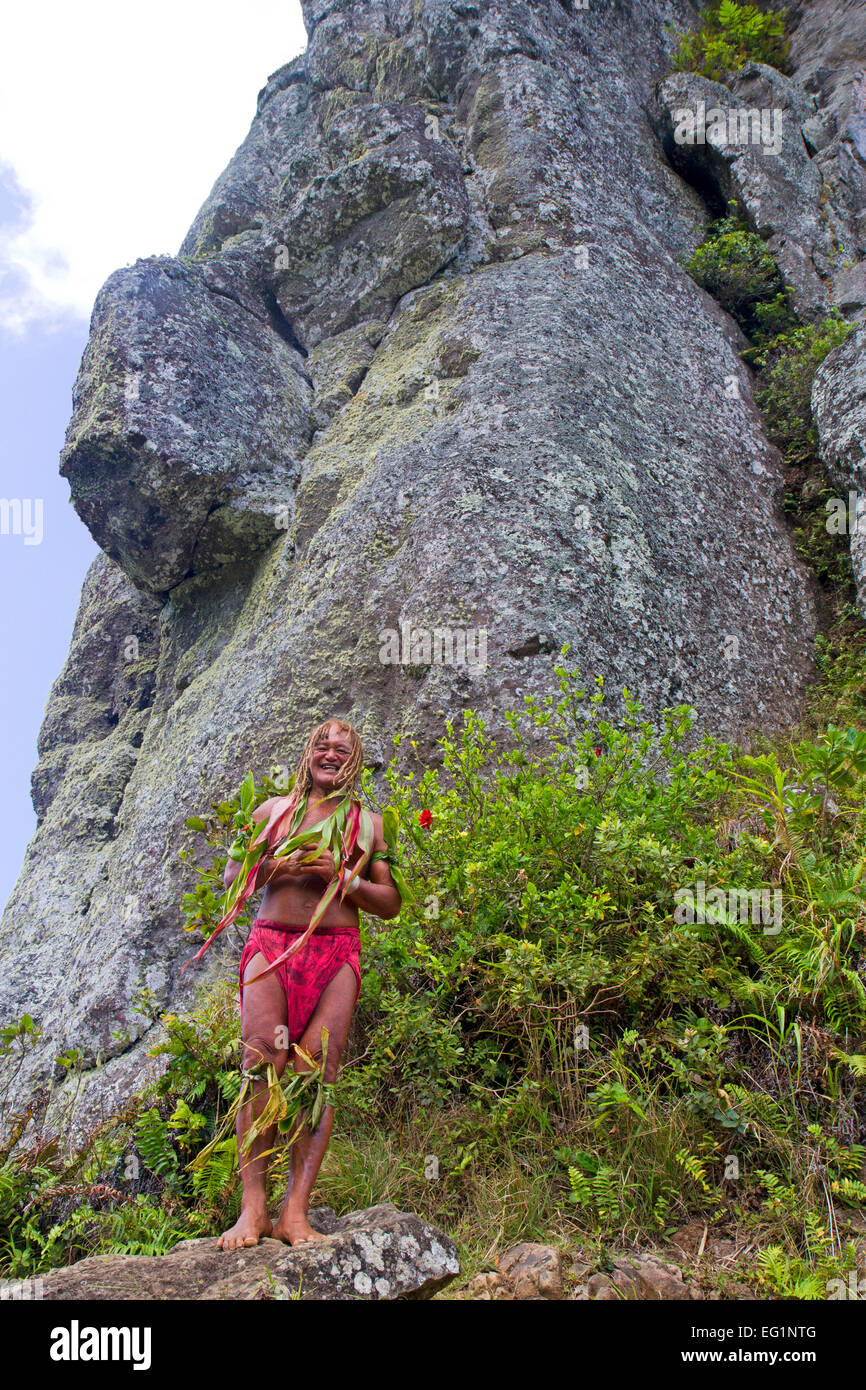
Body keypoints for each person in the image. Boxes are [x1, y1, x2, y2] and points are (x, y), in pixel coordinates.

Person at [217, 718, 401, 1250]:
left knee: (314, 1076)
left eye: (342, 748)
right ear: (308, 752)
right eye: (322, 743)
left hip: (335, 953)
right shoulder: (271, 810)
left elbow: (388, 903)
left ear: (355, 760)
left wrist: (340, 878)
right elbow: (232, 879)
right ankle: (252, 1211)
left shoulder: (370, 824)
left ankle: (294, 1213)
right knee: (260, 1067)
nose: (330, 752)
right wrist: (271, 867)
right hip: (271, 948)